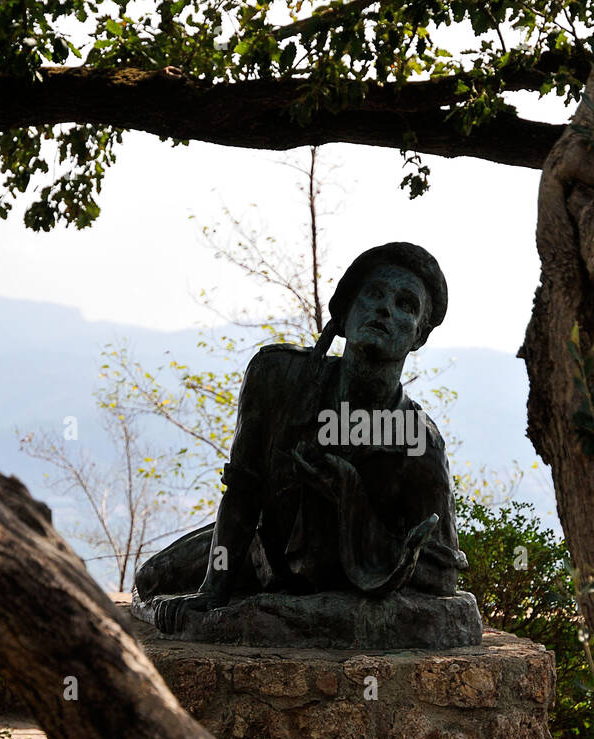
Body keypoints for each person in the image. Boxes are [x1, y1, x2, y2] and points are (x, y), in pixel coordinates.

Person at [133, 242, 468, 633]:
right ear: (345, 312)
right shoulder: (276, 377)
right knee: (150, 581)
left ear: (418, 336)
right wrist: (213, 590)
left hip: (339, 583)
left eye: (405, 305)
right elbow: (243, 491)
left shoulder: (419, 441)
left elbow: (442, 577)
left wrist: (350, 498)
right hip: (264, 555)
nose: (385, 309)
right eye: (373, 294)